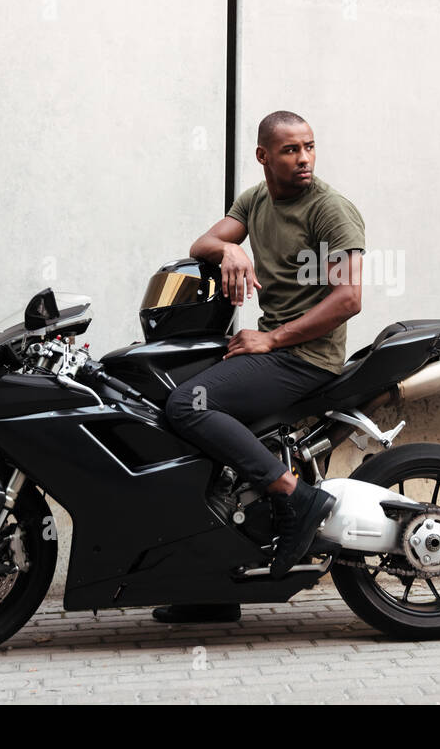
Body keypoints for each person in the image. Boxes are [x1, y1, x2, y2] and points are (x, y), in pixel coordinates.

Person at [153, 110, 366, 624]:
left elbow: (348, 298)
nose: (304, 159)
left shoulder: (331, 211)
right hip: (275, 349)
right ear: (263, 156)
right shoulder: (256, 199)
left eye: (310, 147)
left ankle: (297, 497)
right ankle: (211, 583)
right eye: (291, 150)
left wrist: (270, 338)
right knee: (170, 406)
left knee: (187, 405)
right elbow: (200, 244)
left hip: (306, 357)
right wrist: (229, 248)